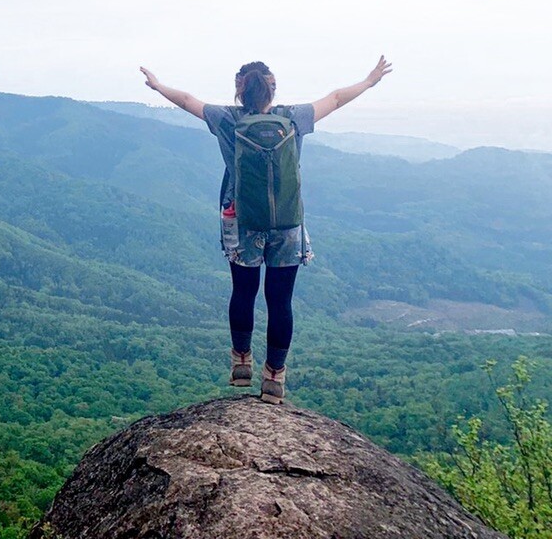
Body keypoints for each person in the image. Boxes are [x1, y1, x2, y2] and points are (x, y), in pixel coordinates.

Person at [138, 57, 393, 403]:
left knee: (243, 292)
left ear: (239, 89)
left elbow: (186, 101)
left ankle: (241, 360)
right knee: (280, 301)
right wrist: (368, 81)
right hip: (287, 223)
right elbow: (334, 99)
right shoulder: (292, 117)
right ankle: (274, 378)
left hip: (241, 220)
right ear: (273, 87)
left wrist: (158, 85)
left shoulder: (227, 118)